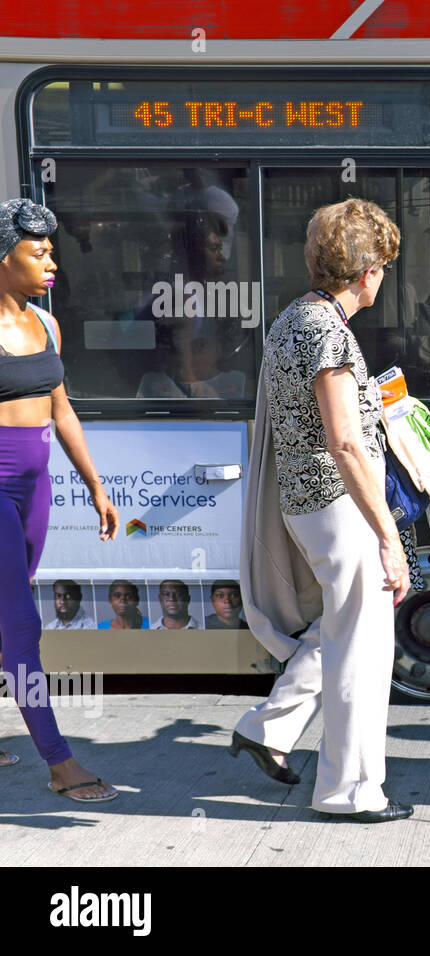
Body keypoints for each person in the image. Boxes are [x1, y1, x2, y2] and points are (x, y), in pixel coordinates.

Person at [232, 198, 413, 823]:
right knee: (362, 653)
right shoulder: (328, 332)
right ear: (366, 271)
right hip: (340, 505)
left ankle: (268, 726)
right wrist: (388, 535)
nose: (384, 277)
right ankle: (351, 791)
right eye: (383, 265)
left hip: (310, 503)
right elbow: (343, 440)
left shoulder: (293, 320)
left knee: (339, 633)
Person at [0, 197, 120, 801]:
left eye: (52, 252)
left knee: (3, 619)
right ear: (3, 257)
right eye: (37, 252)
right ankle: (59, 762)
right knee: (21, 624)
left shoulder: (46, 324)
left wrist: (95, 484)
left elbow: (61, 407)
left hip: (34, 488)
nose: (51, 263)